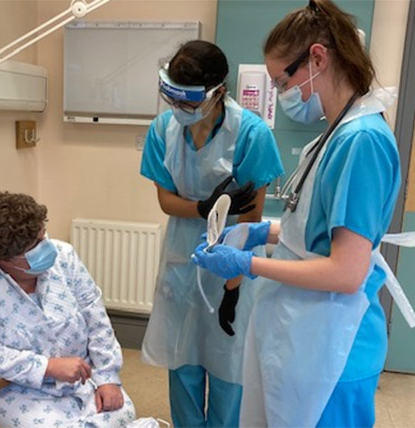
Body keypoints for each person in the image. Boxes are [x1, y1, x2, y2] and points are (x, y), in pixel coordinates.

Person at [192, 1, 415, 426]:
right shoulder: (332, 137)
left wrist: (246, 263)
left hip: (333, 346)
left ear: (317, 58)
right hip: (305, 333)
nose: (283, 95)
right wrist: (262, 232)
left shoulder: (362, 141)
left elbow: (346, 271)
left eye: (283, 81)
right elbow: (316, 235)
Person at [139, 40, 284, 428]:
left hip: (232, 259)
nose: (179, 109)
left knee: (228, 366)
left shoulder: (251, 134)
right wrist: (204, 209)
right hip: (182, 257)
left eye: (188, 101)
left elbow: (250, 220)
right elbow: (166, 201)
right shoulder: (163, 130)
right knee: (182, 361)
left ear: (218, 92)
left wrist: (233, 288)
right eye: (173, 99)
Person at [0, 191, 136, 428]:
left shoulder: (64, 257)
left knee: (124, 413)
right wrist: (48, 367)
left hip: (78, 379)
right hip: (8, 388)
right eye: (35, 246)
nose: (46, 246)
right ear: (4, 259)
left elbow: (96, 318)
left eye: (43, 235)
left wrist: (108, 378)